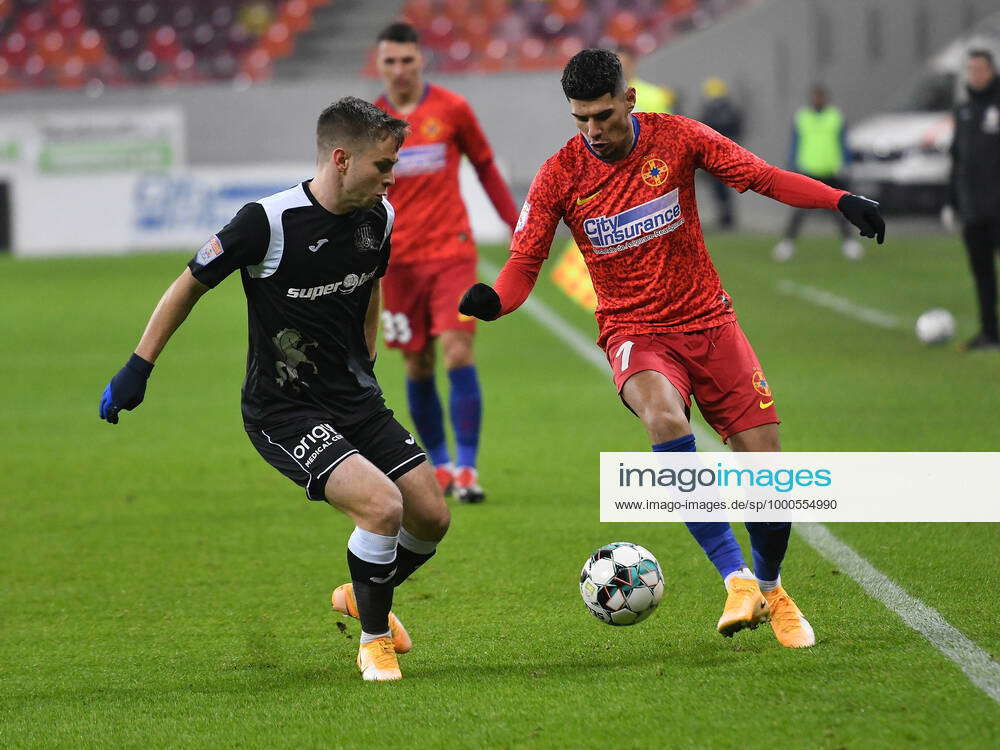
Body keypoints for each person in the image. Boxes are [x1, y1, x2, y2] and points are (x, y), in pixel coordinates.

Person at [459, 50, 884, 648]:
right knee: (662, 416)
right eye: (581, 119)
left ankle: (770, 586)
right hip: (635, 332)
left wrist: (838, 200)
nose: (593, 132)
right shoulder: (560, 174)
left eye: (603, 115)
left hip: (711, 323)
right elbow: (524, 263)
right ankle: (734, 576)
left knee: (769, 477)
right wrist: (495, 300)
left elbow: (761, 176)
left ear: (629, 99)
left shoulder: (678, 137)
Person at [98, 97, 450, 682]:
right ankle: (374, 642)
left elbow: (370, 284)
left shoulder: (378, 217)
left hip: (354, 397)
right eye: (383, 165)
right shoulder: (267, 221)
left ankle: (363, 593)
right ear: (341, 158)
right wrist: (139, 367)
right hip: (283, 408)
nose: (392, 178)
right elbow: (187, 285)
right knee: (382, 507)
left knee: (432, 516)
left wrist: (367, 351)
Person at [372, 22, 520, 503]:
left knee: (458, 350)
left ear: (421, 61)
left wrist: (519, 228)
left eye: (407, 60)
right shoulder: (372, 120)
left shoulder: (452, 109)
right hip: (397, 263)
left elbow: (485, 167)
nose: (399, 70)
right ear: (379, 65)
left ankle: (469, 468)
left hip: (452, 253)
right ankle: (440, 465)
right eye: (390, 61)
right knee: (417, 364)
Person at [947, 49, 1000, 351]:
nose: (976, 75)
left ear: (992, 71)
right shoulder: (964, 110)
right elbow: (957, 159)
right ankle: (989, 333)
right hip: (974, 209)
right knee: (982, 274)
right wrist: (951, 201)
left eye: (981, 69)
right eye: (971, 70)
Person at [773, 84, 863, 262]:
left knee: (839, 208)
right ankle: (787, 243)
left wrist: (846, 163)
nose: (818, 100)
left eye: (820, 97)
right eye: (815, 97)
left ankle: (849, 243)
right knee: (799, 209)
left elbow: (843, 142)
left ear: (826, 99)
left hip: (831, 170)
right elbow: (795, 142)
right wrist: (792, 163)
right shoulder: (802, 117)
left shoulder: (835, 117)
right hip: (808, 170)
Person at [699, 77, 744, 229]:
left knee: (719, 188)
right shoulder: (731, 109)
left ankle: (726, 217)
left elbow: (702, 128)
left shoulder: (711, 110)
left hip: (714, 155)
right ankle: (726, 217)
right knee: (724, 187)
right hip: (727, 153)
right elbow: (738, 128)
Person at [617, 45, 677, 114]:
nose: (622, 69)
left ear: (632, 64)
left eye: (624, 65)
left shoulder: (654, 96)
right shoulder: (608, 95)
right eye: (618, 66)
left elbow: (664, 123)